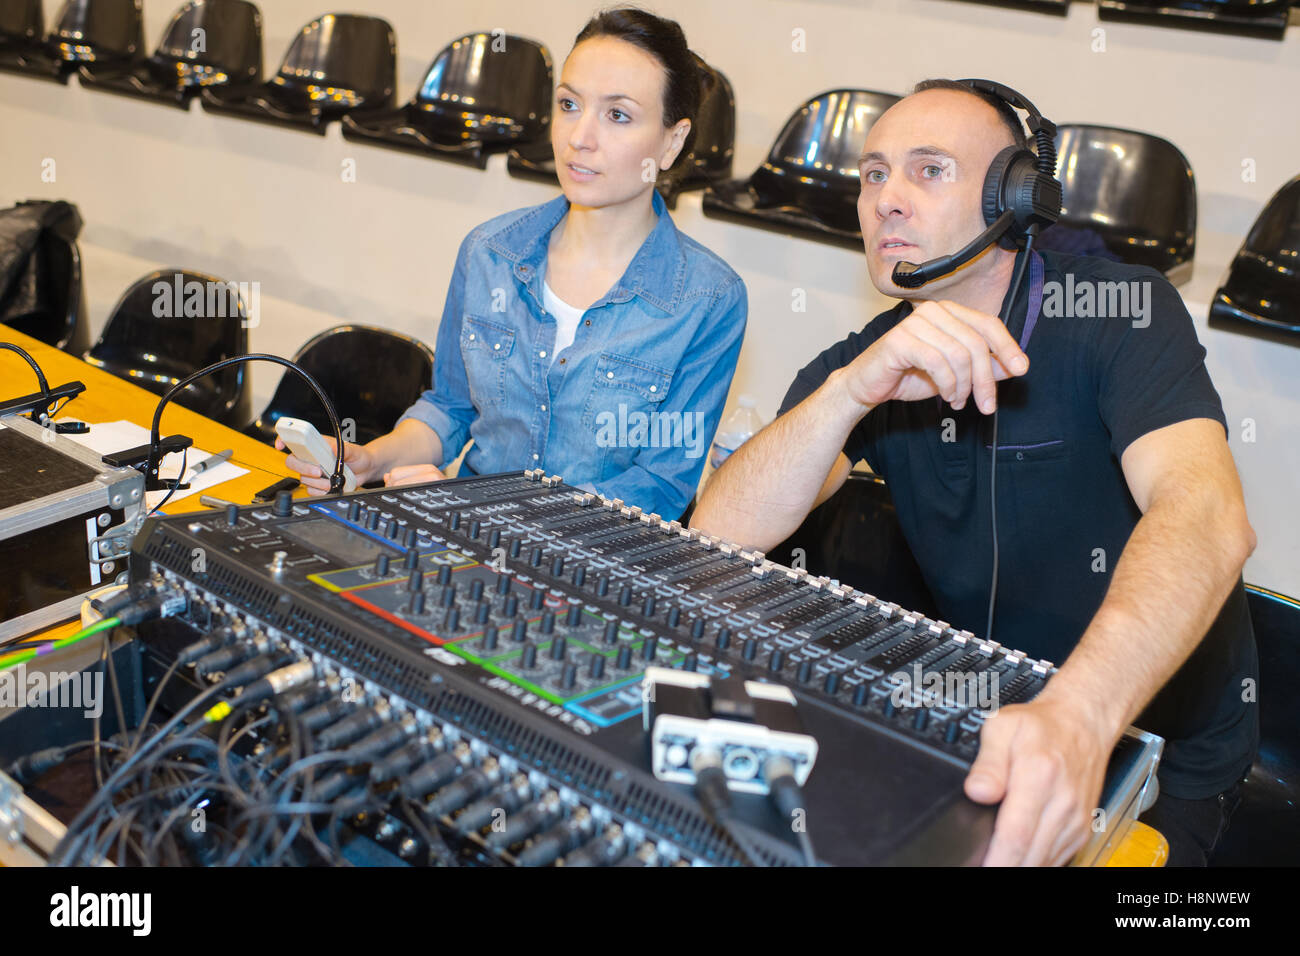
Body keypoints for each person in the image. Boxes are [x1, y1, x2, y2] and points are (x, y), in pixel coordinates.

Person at [690, 79, 1259, 866]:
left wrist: (1078, 717)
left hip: (1153, 748)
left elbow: (1208, 516)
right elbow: (719, 530)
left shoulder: (1122, 310)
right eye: (874, 174)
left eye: (928, 171)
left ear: (1014, 200)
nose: (887, 199)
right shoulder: (872, 357)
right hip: (984, 721)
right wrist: (853, 391)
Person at [281, 8, 746, 520]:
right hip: (467, 542)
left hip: (595, 568)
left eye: (617, 115)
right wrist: (370, 458)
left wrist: (487, 511)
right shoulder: (490, 251)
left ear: (671, 142)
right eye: (569, 104)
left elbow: (659, 487)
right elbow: (451, 408)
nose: (579, 137)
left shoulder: (708, 298)